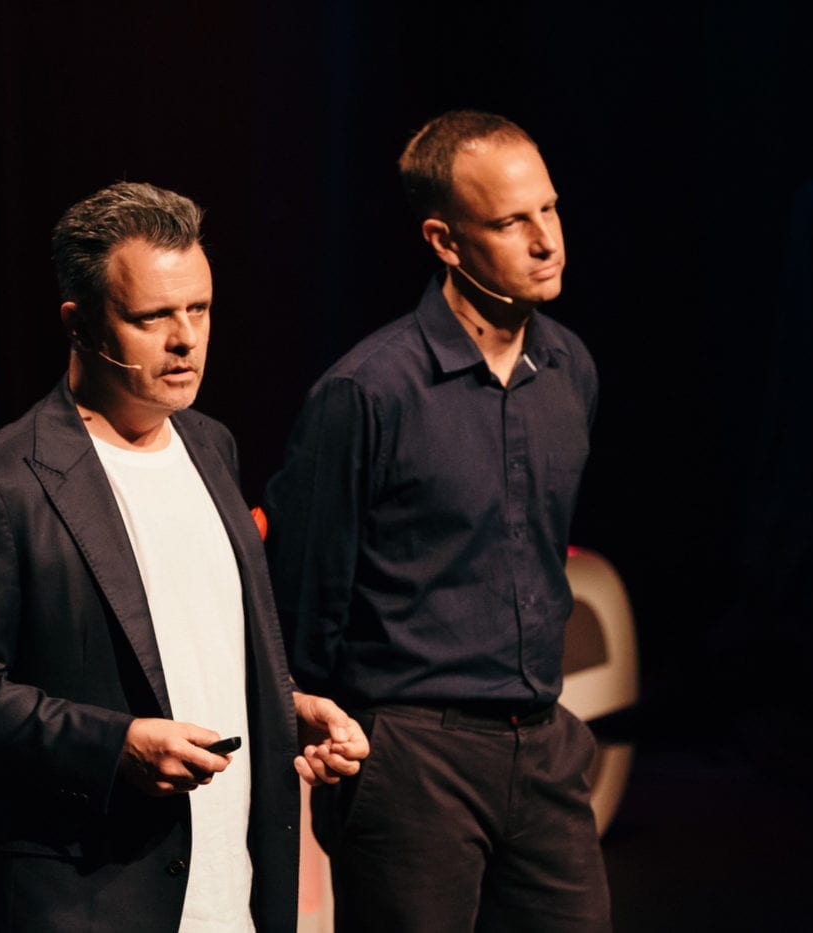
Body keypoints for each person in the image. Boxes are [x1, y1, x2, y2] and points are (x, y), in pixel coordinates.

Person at [0, 180, 368, 933]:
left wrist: (286, 710)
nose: (185, 338)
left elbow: (197, 647)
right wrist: (113, 746)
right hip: (89, 899)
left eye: (200, 309)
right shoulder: (0, 484)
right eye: (153, 317)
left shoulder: (211, 445)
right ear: (79, 323)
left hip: (230, 890)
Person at [263, 110, 611, 932]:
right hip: (414, 756)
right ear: (445, 241)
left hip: (543, 746)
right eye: (511, 221)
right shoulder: (368, 392)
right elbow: (304, 594)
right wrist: (324, 728)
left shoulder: (569, 367)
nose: (546, 240)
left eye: (550, 209)